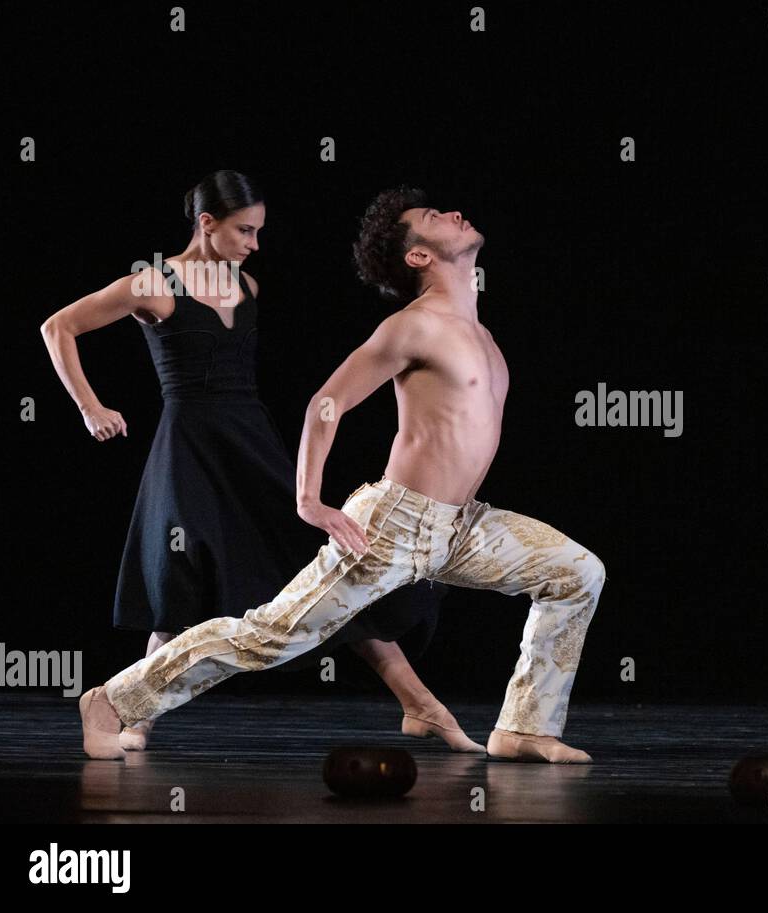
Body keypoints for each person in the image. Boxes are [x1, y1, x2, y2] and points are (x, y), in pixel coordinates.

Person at [79, 185, 606, 764]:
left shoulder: (480, 335)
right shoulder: (411, 328)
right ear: (418, 256)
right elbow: (325, 403)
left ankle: (525, 728)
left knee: (577, 572)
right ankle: (112, 702)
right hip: (394, 527)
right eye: (435, 217)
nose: (456, 213)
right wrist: (310, 500)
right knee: (271, 637)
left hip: (462, 528)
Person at [44, 171, 478, 754]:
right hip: (189, 446)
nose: (254, 244)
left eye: (258, 232)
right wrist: (90, 407)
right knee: (183, 577)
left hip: (250, 439)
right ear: (207, 223)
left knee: (326, 568)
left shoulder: (248, 287)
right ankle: (133, 718)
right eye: (244, 230)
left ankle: (420, 705)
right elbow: (58, 326)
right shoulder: (152, 283)